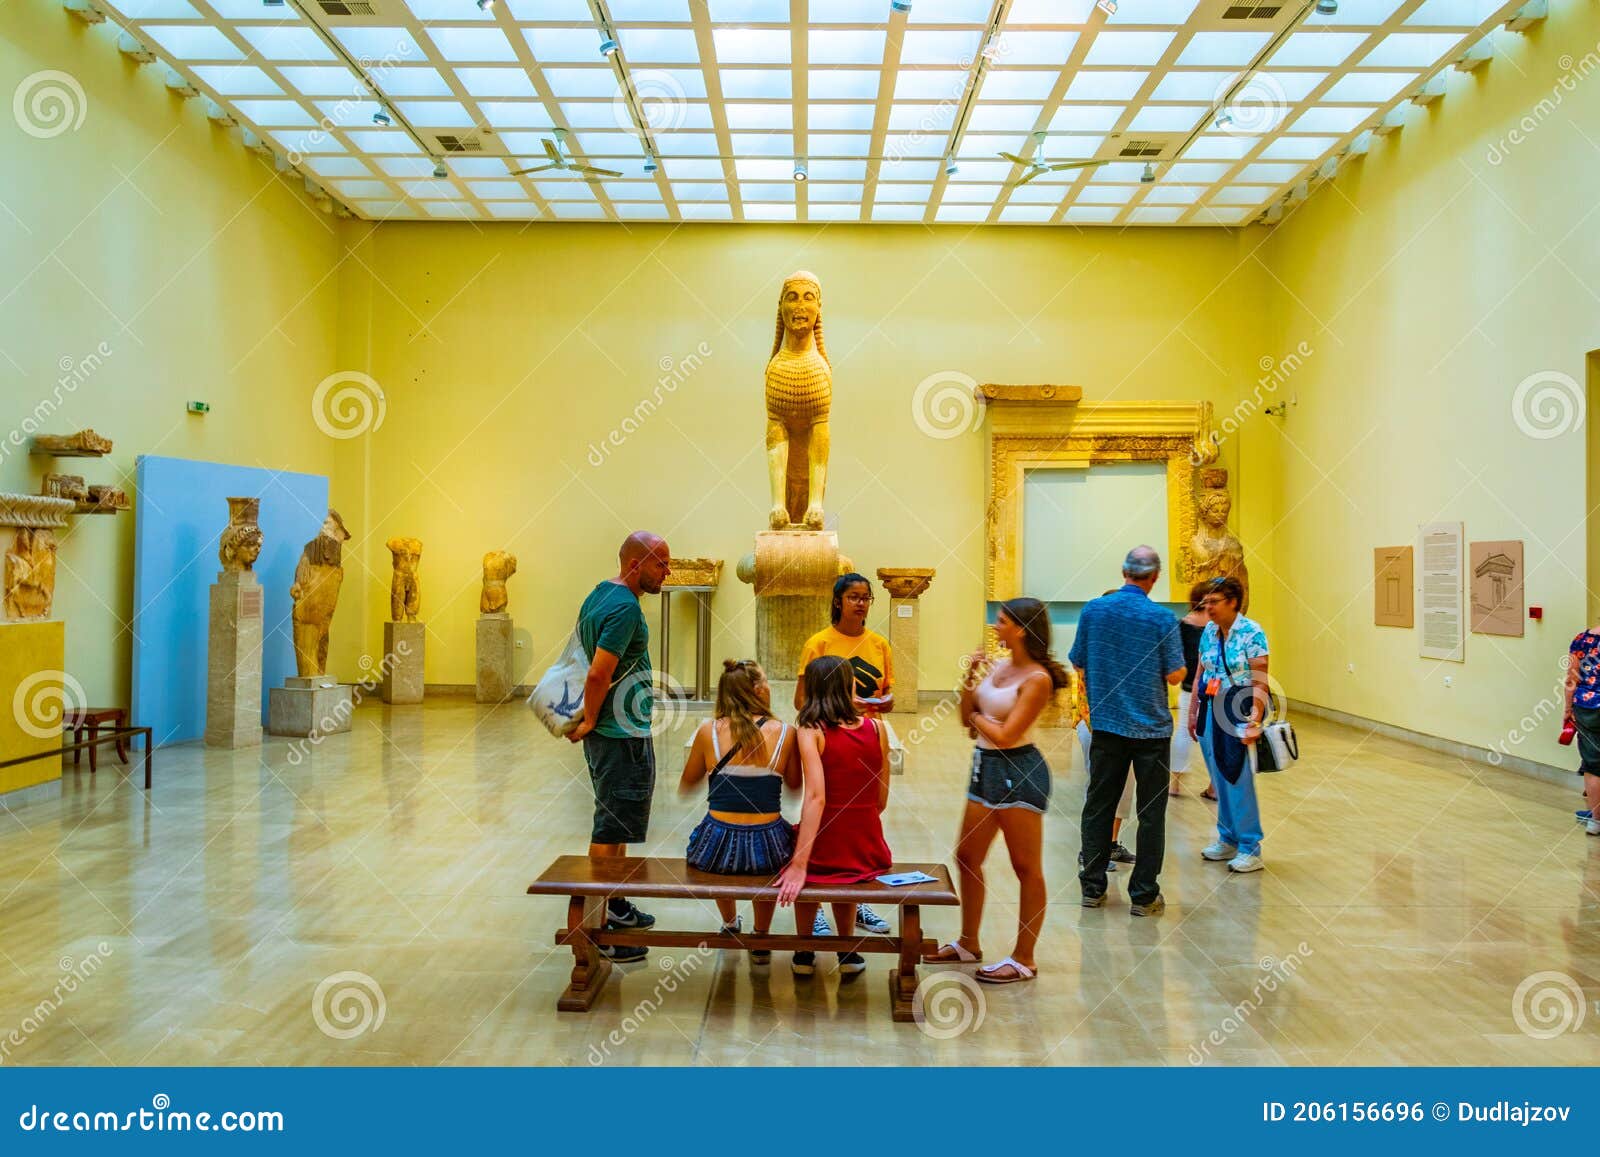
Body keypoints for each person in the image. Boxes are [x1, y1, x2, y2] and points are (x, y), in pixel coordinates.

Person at [923, 598, 1067, 984]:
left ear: (1021, 628)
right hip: (985, 767)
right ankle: (969, 942)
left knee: (1026, 867)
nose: (995, 627)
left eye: (1001, 621)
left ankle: (1025, 957)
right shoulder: (1000, 667)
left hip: (1018, 770)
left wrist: (976, 718)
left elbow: (1006, 735)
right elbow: (966, 721)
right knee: (967, 855)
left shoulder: (1037, 679)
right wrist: (970, 677)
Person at [567, 531, 672, 960]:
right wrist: (591, 718)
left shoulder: (599, 594)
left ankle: (616, 901)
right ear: (635, 564)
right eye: (660, 563)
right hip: (617, 734)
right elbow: (597, 673)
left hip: (617, 731)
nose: (668, 571)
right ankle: (599, 928)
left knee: (619, 820)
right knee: (608, 828)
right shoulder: (626, 608)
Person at [1069, 546, 1186, 916]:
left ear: (1123, 572)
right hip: (1150, 730)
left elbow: (1078, 661)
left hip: (1106, 726)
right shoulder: (1161, 618)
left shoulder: (1094, 610)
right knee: (1151, 813)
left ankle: (1092, 887)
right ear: (1155, 577)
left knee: (1099, 805)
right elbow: (1174, 675)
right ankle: (1144, 895)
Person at [775, 655, 893, 977]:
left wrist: (799, 865)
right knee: (845, 867)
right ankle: (846, 948)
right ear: (847, 685)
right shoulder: (878, 728)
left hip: (827, 846)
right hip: (868, 847)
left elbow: (816, 797)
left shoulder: (810, 730)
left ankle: (804, 948)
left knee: (801, 849)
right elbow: (881, 798)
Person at [680, 660, 800, 964]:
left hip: (716, 847)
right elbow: (796, 786)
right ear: (759, 691)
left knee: (714, 842)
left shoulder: (708, 731)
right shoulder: (786, 733)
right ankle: (761, 935)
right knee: (770, 860)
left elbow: (688, 782)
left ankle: (731, 924)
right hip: (768, 843)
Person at [795, 572, 894, 936]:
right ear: (838, 601)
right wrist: (833, 710)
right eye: (854, 596)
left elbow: (889, 695)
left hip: (864, 733)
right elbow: (800, 699)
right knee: (822, 811)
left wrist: (869, 705)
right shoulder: (819, 643)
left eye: (866, 597)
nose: (861, 602)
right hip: (827, 735)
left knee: (858, 817)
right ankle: (817, 907)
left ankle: (857, 899)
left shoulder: (879, 644)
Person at [1185, 576, 1269, 873]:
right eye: (1205, 602)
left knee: (1237, 774)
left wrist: (1255, 720)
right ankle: (1227, 837)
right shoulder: (1209, 631)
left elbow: (1260, 680)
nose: (1208, 608)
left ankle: (1250, 845)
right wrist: (1193, 712)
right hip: (1210, 705)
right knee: (1218, 776)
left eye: (1214, 602)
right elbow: (1199, 674)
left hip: (1237, 706)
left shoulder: (1251, 632)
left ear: (1233, 602)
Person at [1172, 583, 1214, 799]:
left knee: (1182, 733)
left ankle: (1175, 783)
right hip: (1215, 688)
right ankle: (1215, 786)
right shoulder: (1217, 626)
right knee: (1215, 737)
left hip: (1189, 686)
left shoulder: (1182, 625)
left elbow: (1176, 657)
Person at [1564, 625, 1600, 836]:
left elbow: (1571, 680)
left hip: (1587, 707)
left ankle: (1596, 821)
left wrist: (1568, 709)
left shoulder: (1581, 639)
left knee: (1593, 764)